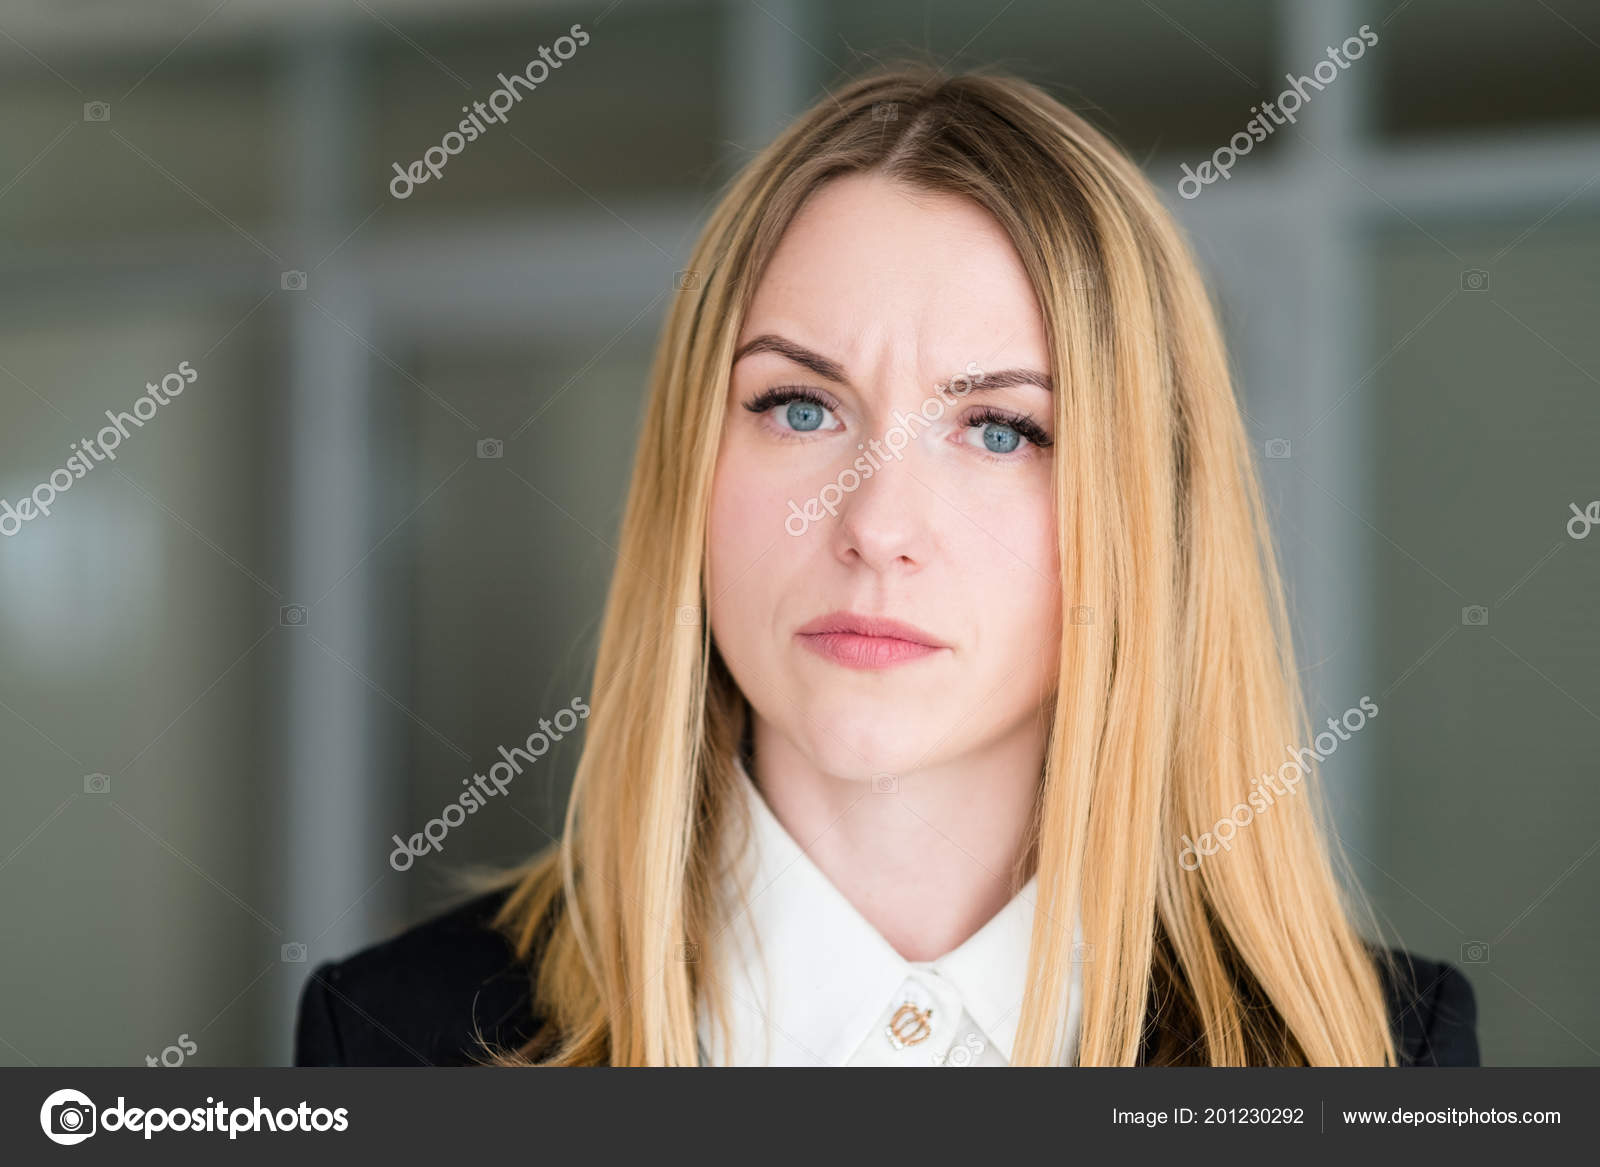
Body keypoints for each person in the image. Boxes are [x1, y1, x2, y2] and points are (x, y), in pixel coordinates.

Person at [295, 64, 1478, 1068]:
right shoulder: (396, 1038)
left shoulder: (1376, 1053)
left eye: (1001, 429)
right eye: (800, 408)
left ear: (1142, 515)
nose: (875, 526)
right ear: (687, 471)